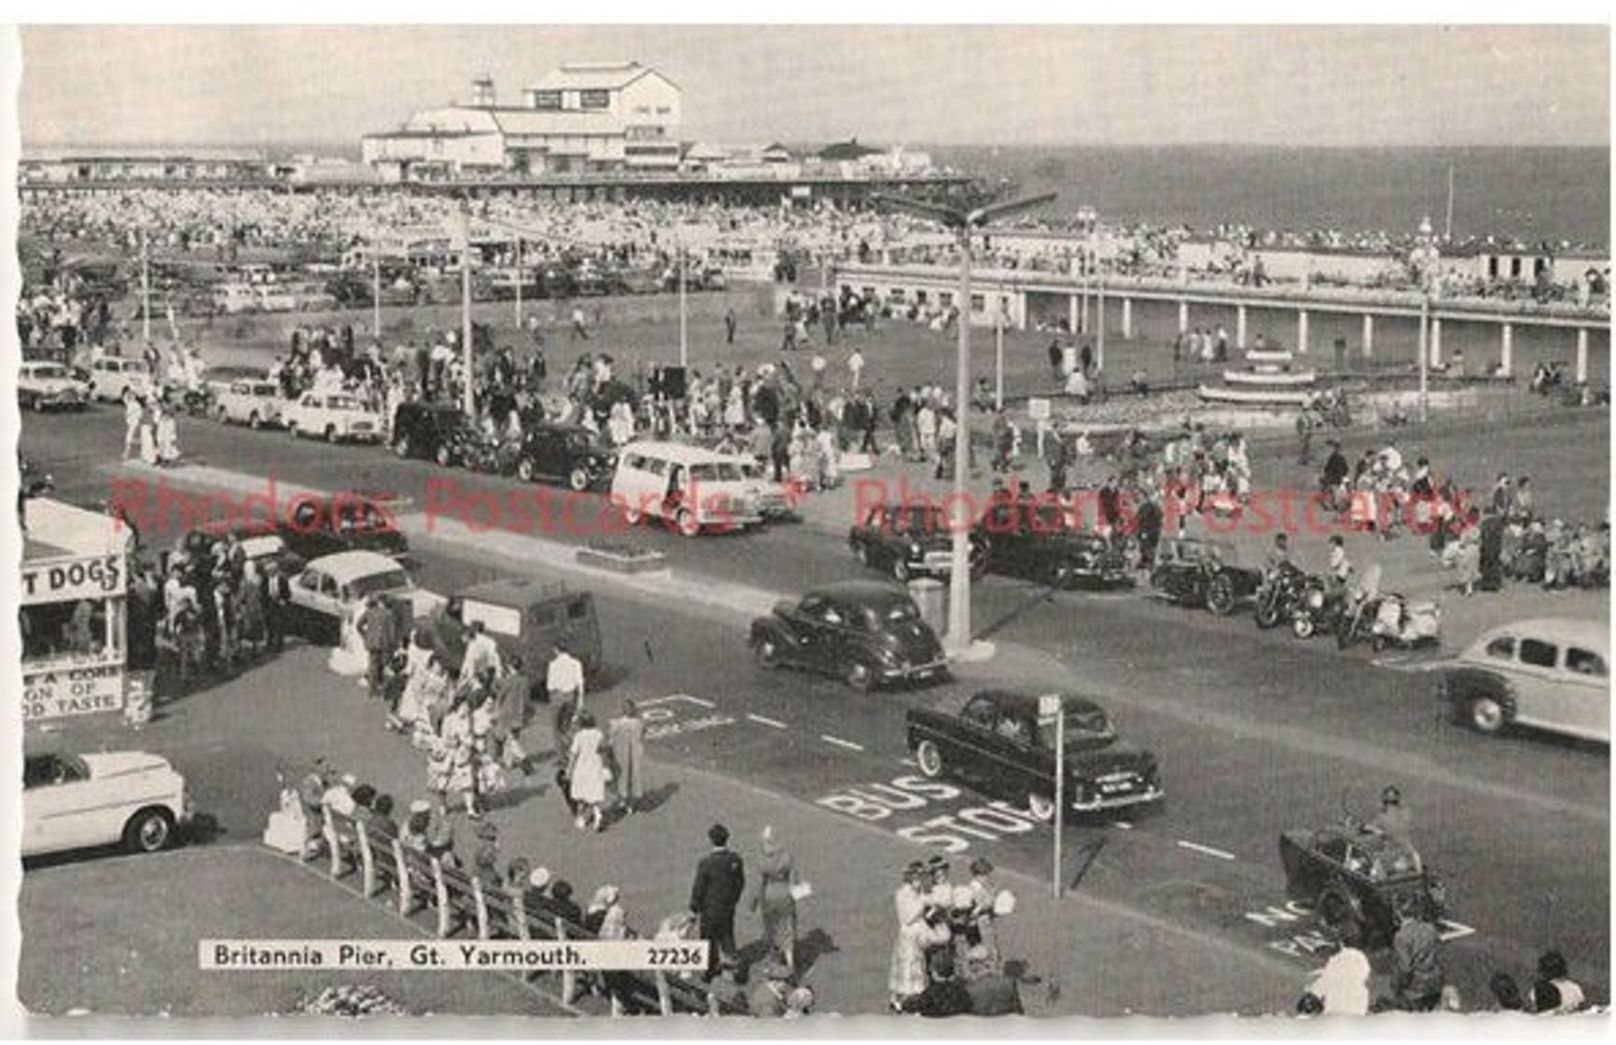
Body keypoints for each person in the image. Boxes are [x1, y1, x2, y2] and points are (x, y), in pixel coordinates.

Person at [689, 823, 745, 982]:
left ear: (711, 840)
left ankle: (709, 971)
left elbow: (699, 888)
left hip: (709, 909)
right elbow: (740, 883)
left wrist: (694, 907)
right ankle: (734, 969)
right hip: (727, 908)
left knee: (708, 940)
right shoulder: (735, 859)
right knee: (727, 937)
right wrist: (733, 899)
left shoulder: (706, 863)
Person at [750, 824, 799, 974]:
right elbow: (794, 879)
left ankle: (774, 960)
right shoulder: (787, 856)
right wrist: (795, 895)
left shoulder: (762, 859)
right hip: (785, 893)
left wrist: (754, 902)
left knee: (771, 929)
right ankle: (790, 962)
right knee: (787, 928)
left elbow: (759, 883)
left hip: (769, 894)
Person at [1391, 895, 1444, 1011]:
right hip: (1435, 984)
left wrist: (1397, 987)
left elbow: (1405, 968)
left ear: (1398, 914)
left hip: (1416, 989)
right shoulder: (1430, 928)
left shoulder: (1400, 936)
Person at [1308, 924, 1371, 1015]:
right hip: (1342, 1009)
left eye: (1321, 949)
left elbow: (1328, 980)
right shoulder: (1335, 961)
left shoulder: (1350, 956)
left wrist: (1314, 995)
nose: (1320, 955)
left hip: (1348, 1006)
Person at [566, 712, 608, 832]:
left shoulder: (579, 736)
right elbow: (603, 749)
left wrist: (569, 770)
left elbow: (573, 754)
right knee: (594, 793)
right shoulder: (599, 734)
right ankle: (598, 814)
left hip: (582, 767)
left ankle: (581, 819)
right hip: (595, 766)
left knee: (581, 795)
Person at [607, 699, 646, 816]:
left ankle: (622, 800)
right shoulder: (639, 723)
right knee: (633, 777)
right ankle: (631, 805)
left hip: (621, 754)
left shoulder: (617, 724)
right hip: (635, 755)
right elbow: (643, 732)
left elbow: (611, 736)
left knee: (621, 777)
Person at [357, 596, 398, 697]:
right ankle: (382, 689)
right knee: (383, 665)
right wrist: (393, 645)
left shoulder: (369, 612)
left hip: (372, 644)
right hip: (384, 644)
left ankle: (372, 691)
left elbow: (358, 625)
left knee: (373, 666)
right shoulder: (388, 614)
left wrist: (365, 636)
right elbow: (391, 632)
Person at [547, 642, 585, 714]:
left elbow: (550, 685)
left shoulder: (553, 664)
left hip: (557, 695)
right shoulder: (576, 663)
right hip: (570, 695)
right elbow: (579, 683)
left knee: (556, 719)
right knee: (568, 718)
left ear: (556, 650)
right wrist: (580, 700)